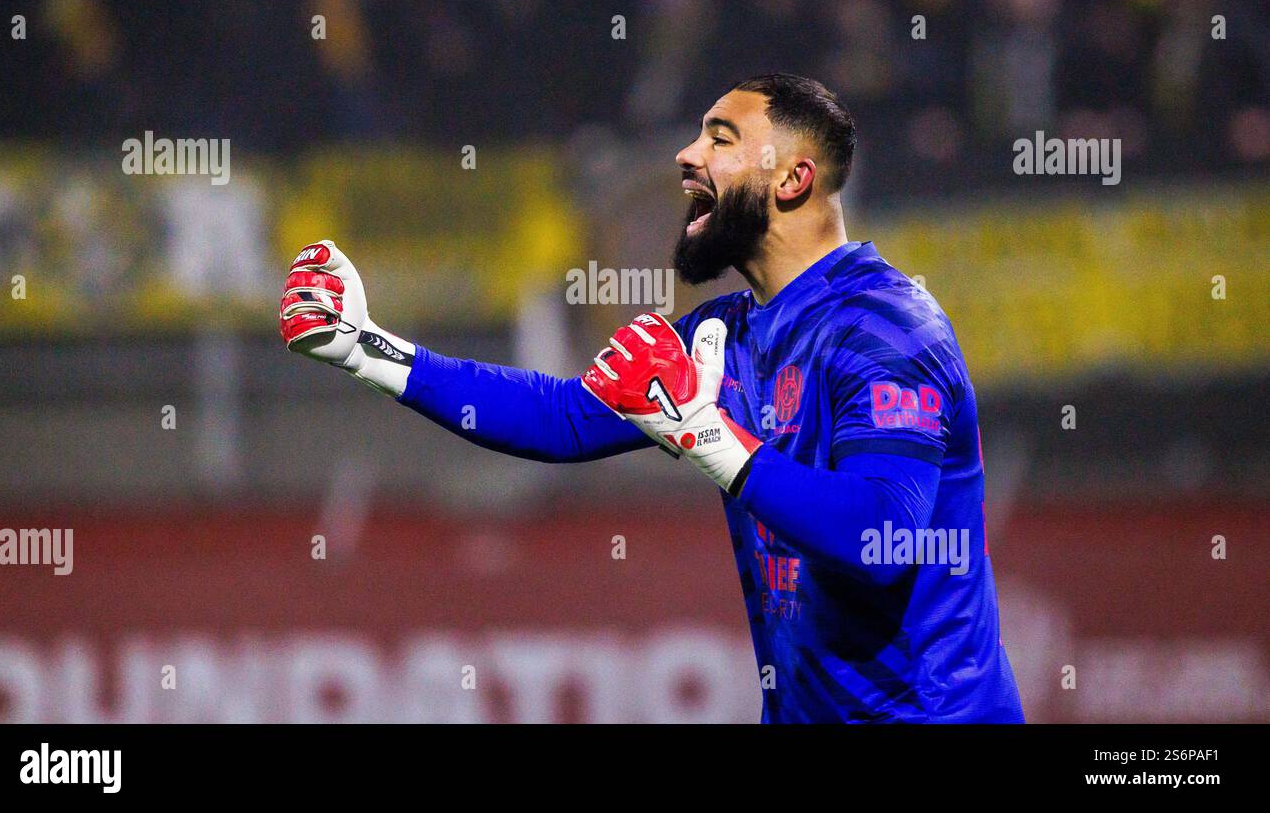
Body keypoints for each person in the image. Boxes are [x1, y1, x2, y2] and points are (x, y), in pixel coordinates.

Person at [279, 73, 1025, 723]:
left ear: (792, 179)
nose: (687, 156)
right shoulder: (725, 335)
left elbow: (882, 541)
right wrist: (367, 349)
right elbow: (563, 419)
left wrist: (707, 437)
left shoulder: (887, 329)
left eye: (721, 140)